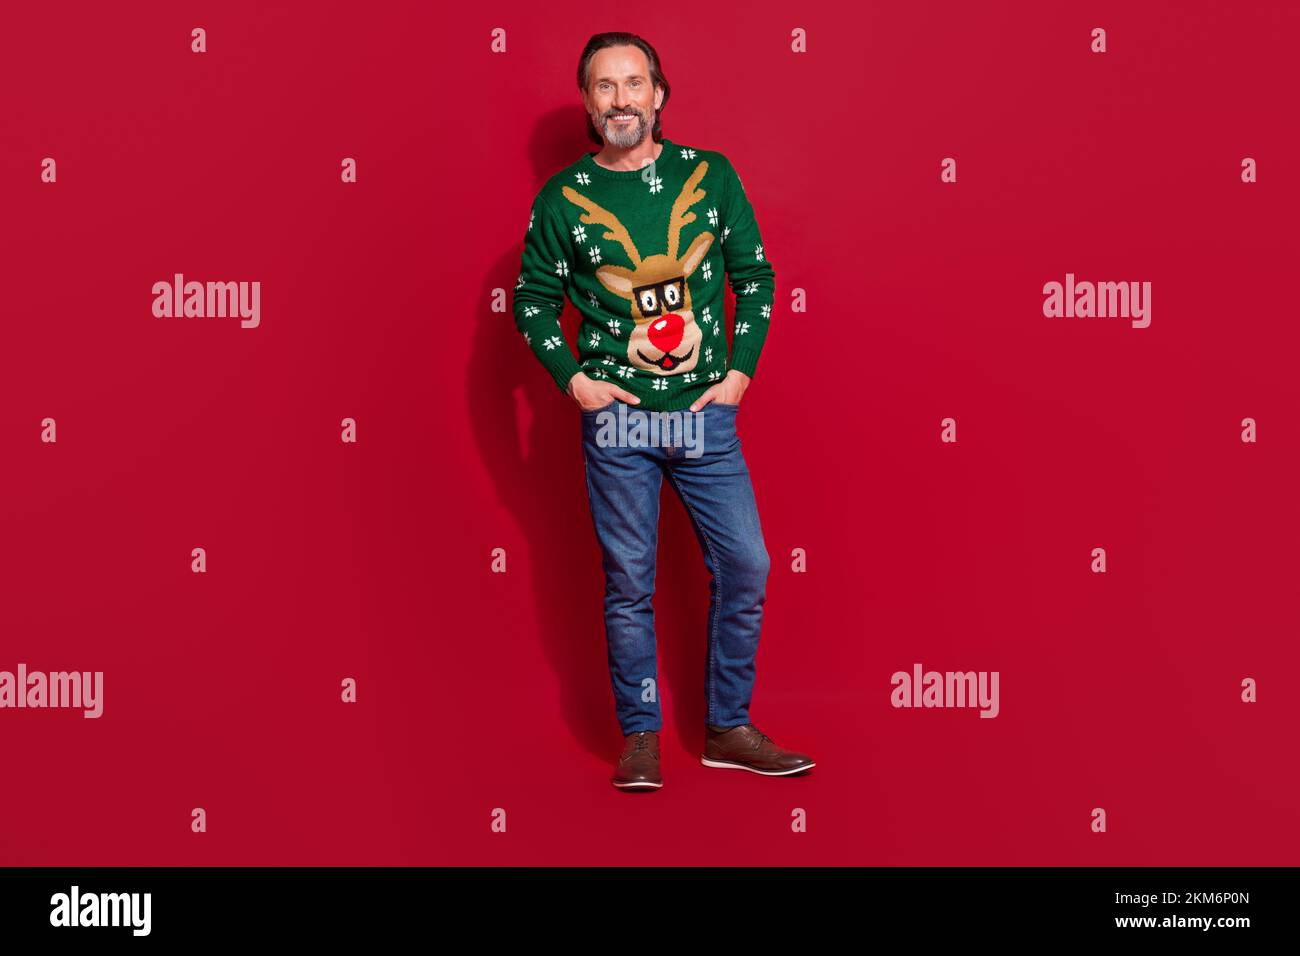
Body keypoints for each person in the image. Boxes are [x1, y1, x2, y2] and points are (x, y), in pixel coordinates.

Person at [511, 31, 815, 790]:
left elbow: (756, 273)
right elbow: (532, 301)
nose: (621, 99)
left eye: (634, 83)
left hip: (705, 417)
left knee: (746, 565)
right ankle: (640, 733)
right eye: (605, 87)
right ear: (588, 103)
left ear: (659, 95)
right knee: (629, 582)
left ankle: (727, 726)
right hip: (619, 422)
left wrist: (740, 370)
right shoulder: (562, 201)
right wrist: (571, 380)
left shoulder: (709, 177)